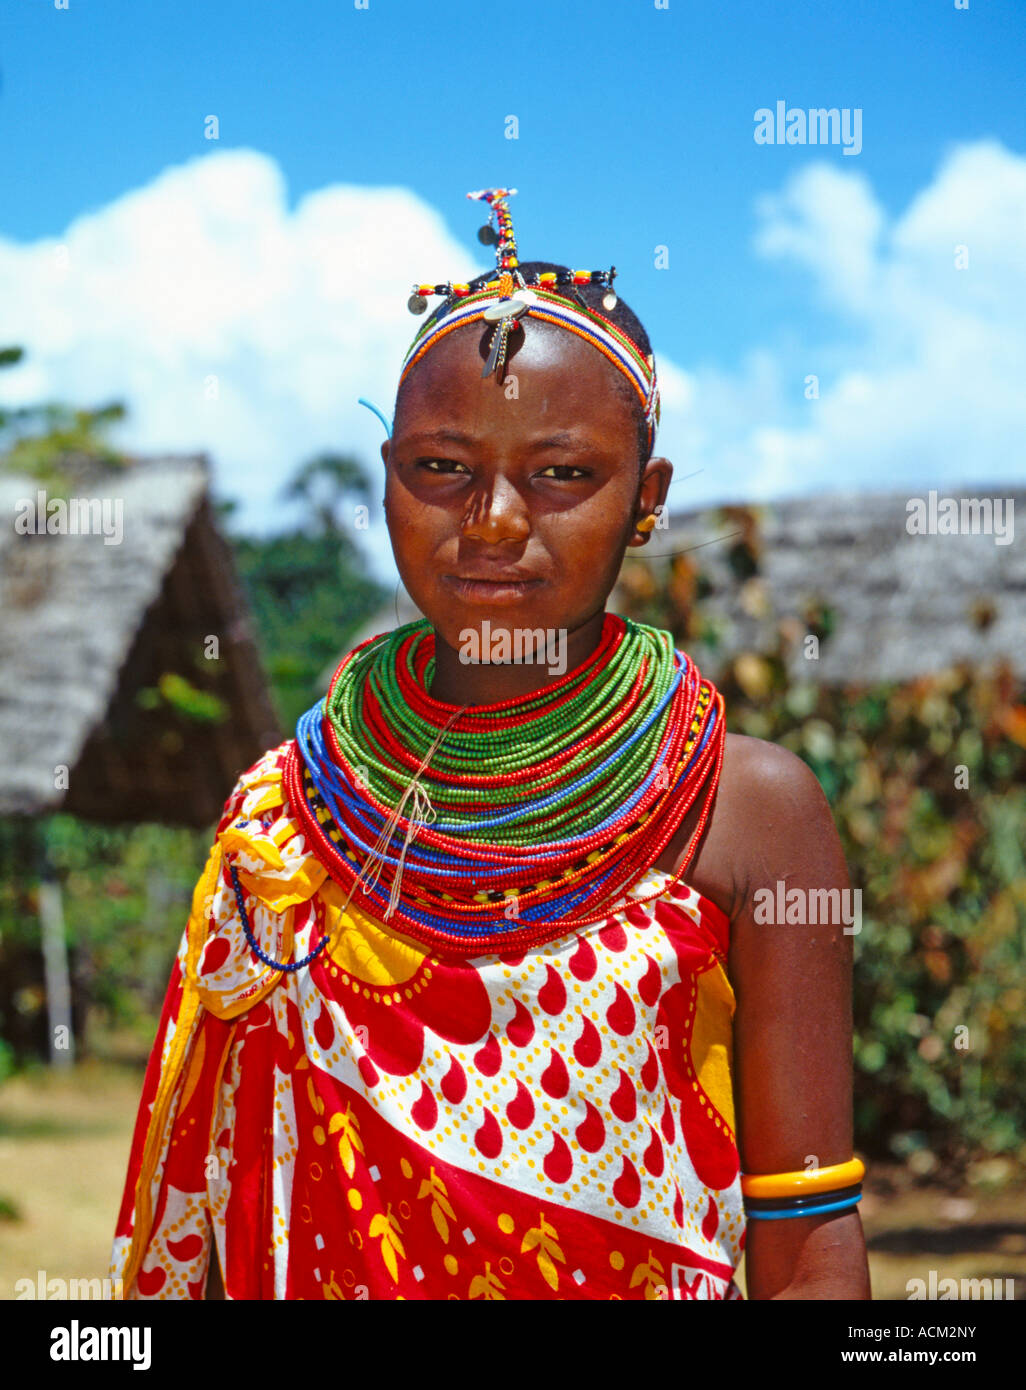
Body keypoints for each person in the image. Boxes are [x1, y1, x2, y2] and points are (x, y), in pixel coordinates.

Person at [109, 188, 870, 1300]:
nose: (495, 519)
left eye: (563, 472)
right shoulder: (292, 818)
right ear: (385, 478)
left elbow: (808, 1237)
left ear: (646, 497)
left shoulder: (748, 809)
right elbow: (227, 1223)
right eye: (441, 467)